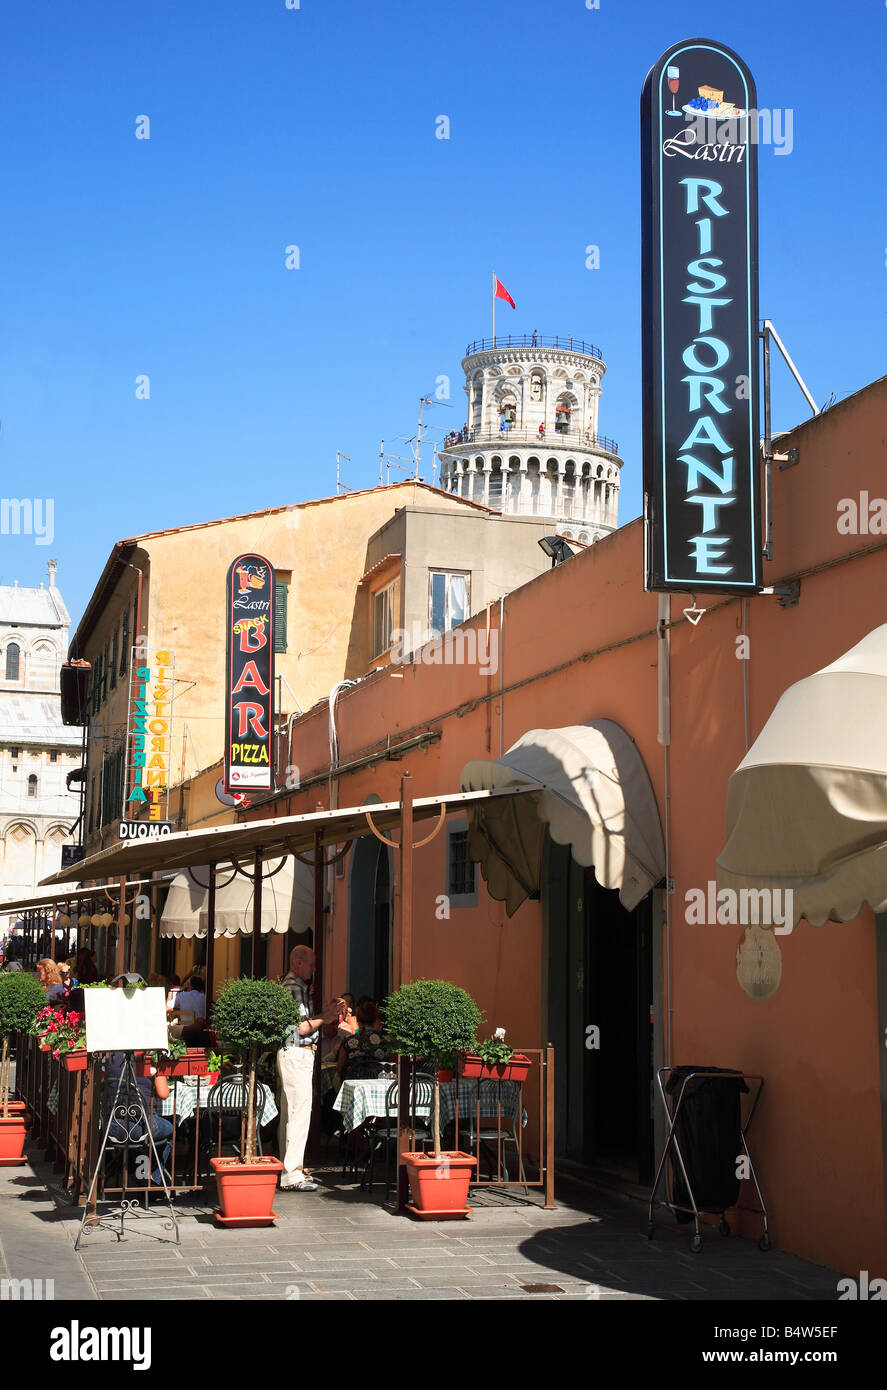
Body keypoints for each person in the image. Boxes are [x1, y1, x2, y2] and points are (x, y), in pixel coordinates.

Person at [277, 946, 343, 1192]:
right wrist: (324, 1018)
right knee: (299, 1112)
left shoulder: (296, 986)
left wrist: (323, 1014)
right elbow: (300, 1028)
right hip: (297, 1053)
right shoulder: (293, 987)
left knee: (291, 1113)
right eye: (312, 964)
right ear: (298, 964)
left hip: (293, 1053)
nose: (315, 969)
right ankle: (292, 1174)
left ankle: (290, 1168)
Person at [336, 999, 394, 1082]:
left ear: (357, 1020)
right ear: (376, 1020)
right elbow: (390, 1066)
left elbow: (339, 1068)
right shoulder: (385, 1042)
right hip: (378, 1084)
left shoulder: (349, 1041)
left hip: (353, 1085)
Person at [169, 974, 210, 1047]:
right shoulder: (205, 997)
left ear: (190, 985)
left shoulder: (182, 995)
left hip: (185, 1032)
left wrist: (178, 991)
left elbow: (172, 1006)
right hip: (201, 1034)